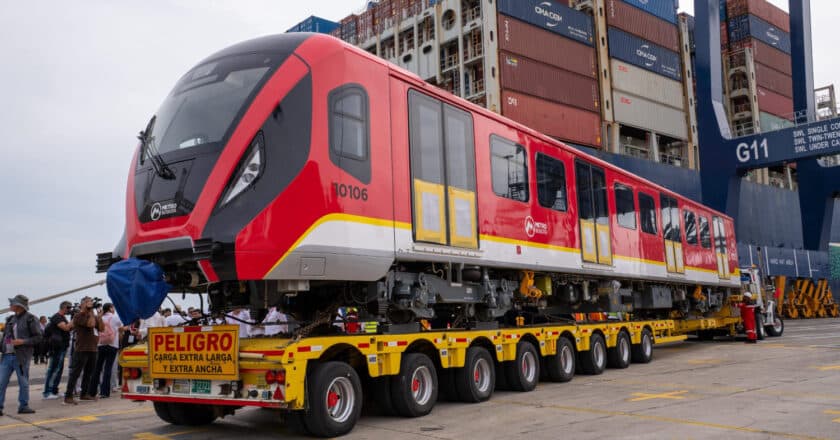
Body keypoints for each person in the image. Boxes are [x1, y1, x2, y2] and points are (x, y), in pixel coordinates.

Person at [0, 294, 42, 415]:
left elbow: (38, 337)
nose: (10, 305)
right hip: (7, 356)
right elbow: (6, 338)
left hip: (21, 357)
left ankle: (23, 406)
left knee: (23, 383)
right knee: (1, 383)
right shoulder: (10, 319)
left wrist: (23, 341)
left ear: (18, 306)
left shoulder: (31, 319)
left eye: (12, 303)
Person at [63, 296, 103, 405]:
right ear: (82, 305)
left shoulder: (94, 316)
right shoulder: (78, 316)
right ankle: (68, 396)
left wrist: (99, 317)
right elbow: (90, 324)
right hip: (82, 348)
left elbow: (102, 328)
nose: (90, 303)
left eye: (90, 302)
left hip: (93, 348)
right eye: (87, 302)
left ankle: (84, 394)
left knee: (89, 373)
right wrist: (90, 312)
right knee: (76, 373)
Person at [88, 303, 122, 398]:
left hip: (100, 344)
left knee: (97, 368)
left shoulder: (100, 318)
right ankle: (104, 392)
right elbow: (121, 327)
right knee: (108, 368)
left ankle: (92, 391)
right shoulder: (115, 317)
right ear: (110, 308)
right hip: (112, 345)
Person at [42, 301, 74, 400]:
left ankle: (54, 390)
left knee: (58, 370)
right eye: (69, 308)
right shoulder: (57, 317)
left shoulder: (63, 317)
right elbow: (66, 328)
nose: (70, 310)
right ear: (64, 307)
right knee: (53, 370)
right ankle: (47, 392)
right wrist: (75, 318)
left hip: (62, 347)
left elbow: (70, 328)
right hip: (56, 348)